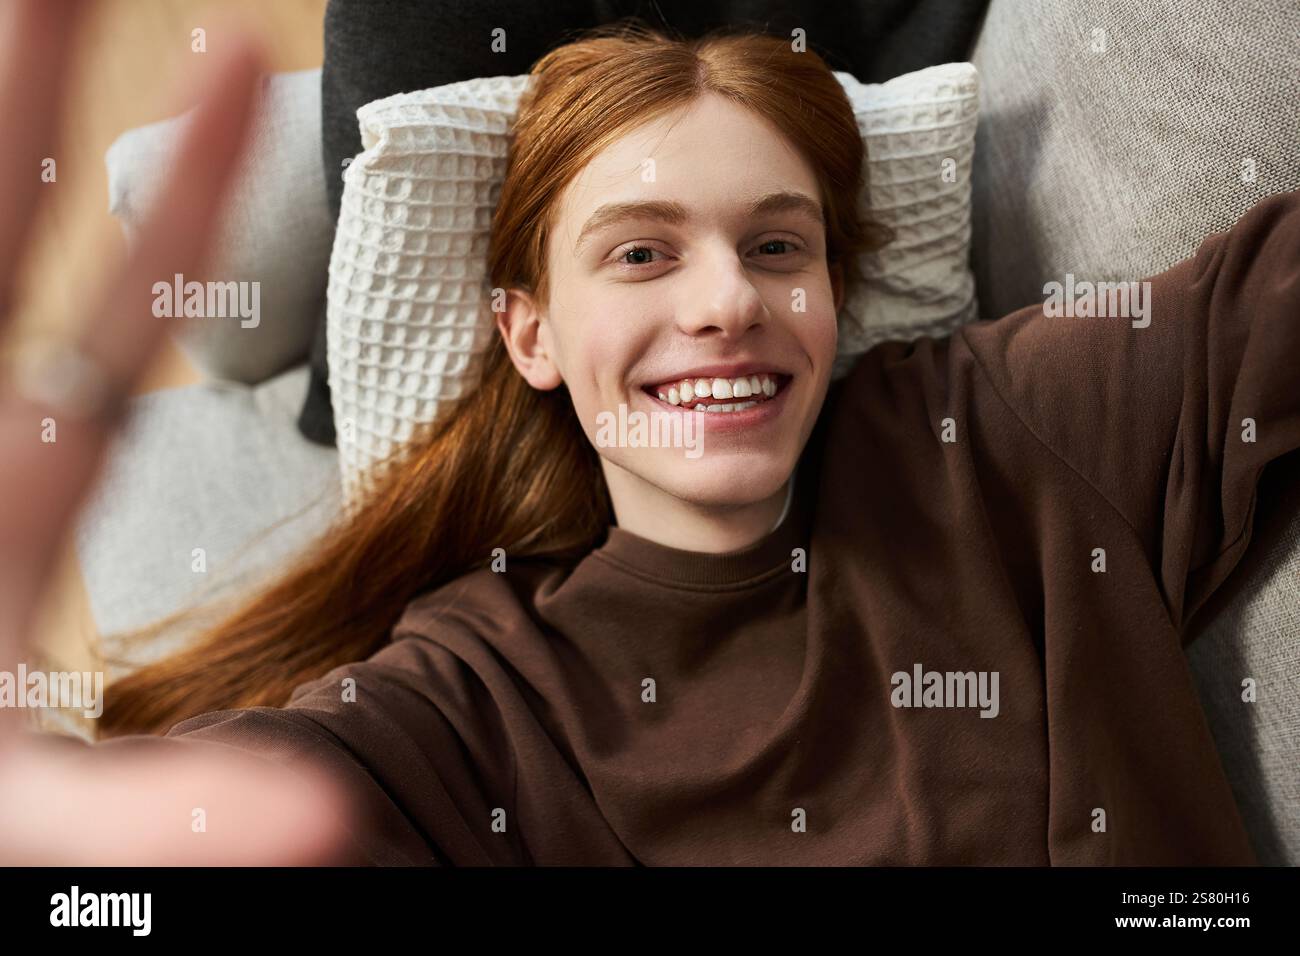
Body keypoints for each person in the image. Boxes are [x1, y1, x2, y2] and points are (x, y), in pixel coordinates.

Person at [1, 1, 1297, 865]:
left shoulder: (998, 431)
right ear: (532, 337)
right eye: (640, 254)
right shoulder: (480, 701)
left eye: (778, 246)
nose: (728, 299)